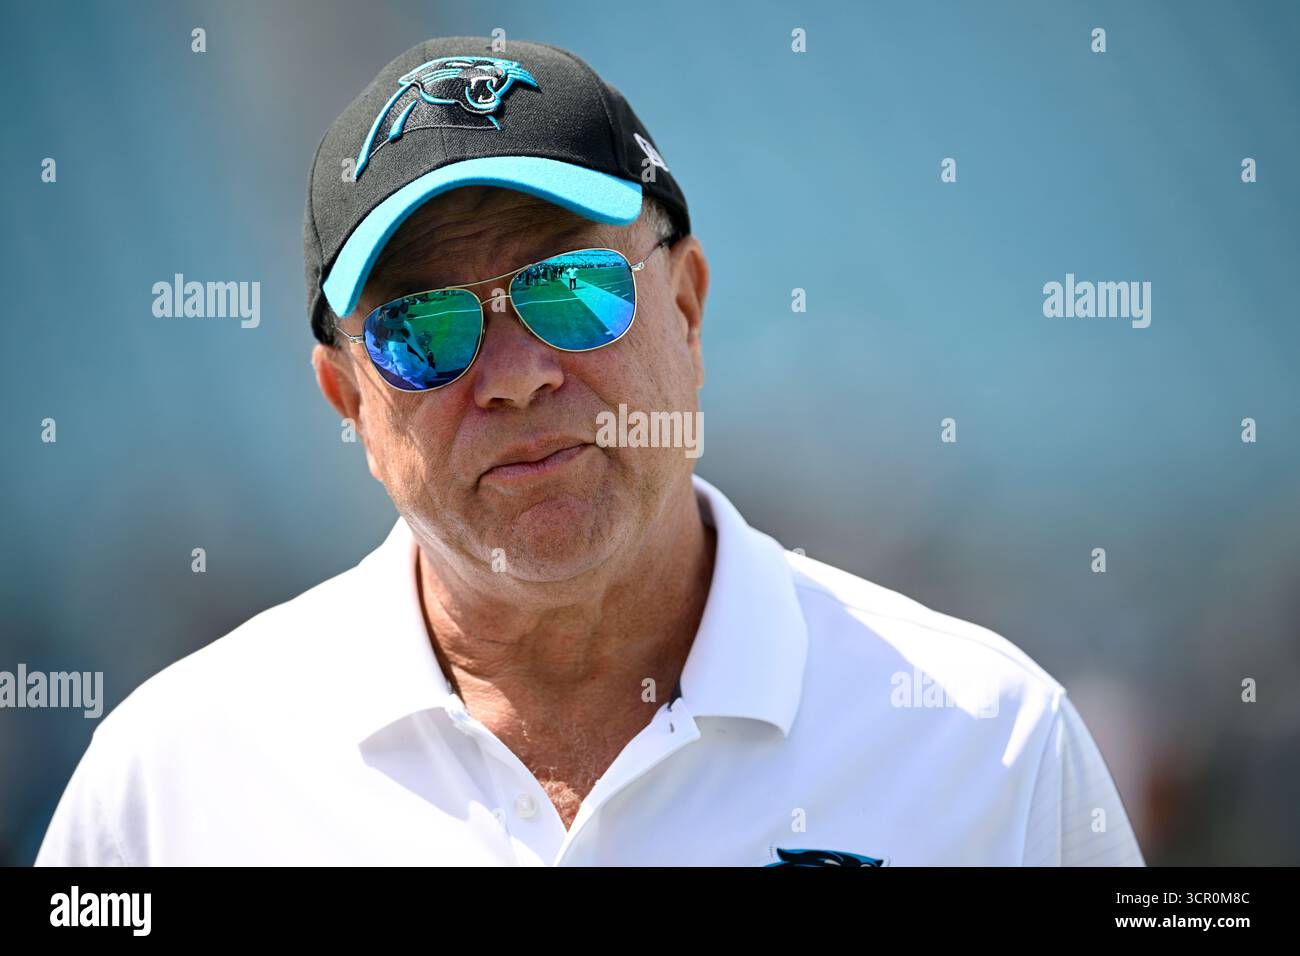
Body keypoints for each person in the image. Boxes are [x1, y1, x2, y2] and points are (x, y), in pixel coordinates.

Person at [35, 36, 1144, 866]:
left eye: (569, 287)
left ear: (689, 305)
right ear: (347, 399)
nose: (515, 373)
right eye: (423, 329)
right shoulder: (164, 788)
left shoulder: (990, 748)